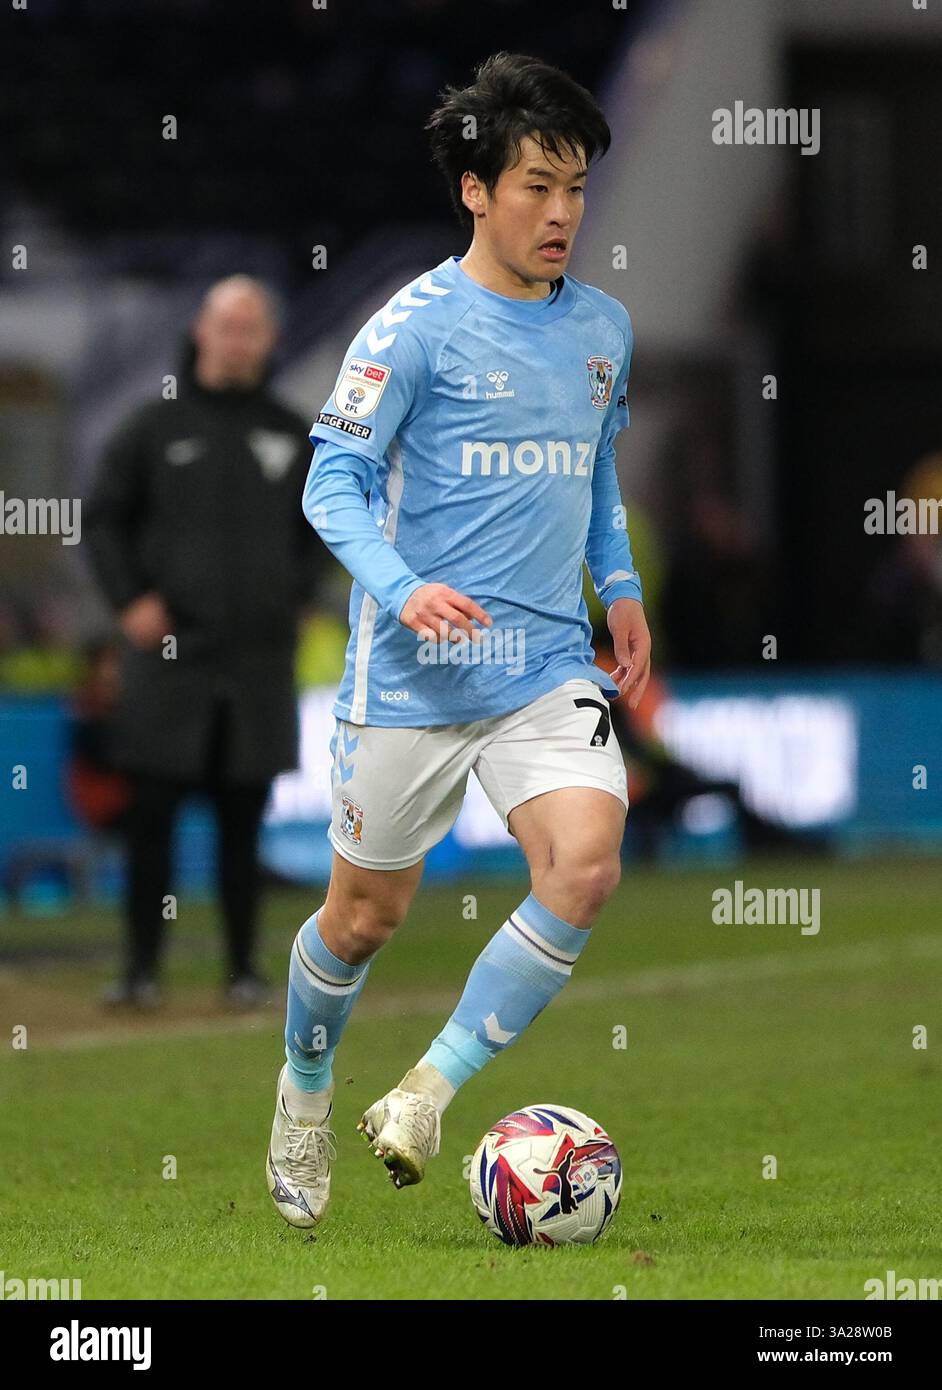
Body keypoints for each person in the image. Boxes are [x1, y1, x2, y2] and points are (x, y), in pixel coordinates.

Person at [266, 53, 652, 1228]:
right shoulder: (412, 328)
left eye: (576, 188)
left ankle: (426, 1094)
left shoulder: (604, 328)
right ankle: (305, 1091)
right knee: (362, 922)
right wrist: (403, 587)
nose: (562, 213)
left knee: (586, 865)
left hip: (544, 664)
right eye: (538, 186)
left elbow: (595, 470)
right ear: (477, 191)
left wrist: (620, 586)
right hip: (414, 675)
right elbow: (329, 484)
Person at [85, 276, 327, 1009]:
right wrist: (129, 600)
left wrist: (297, 593)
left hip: (256, 663)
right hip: (169, 662)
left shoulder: (293, 433)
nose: (236, 340)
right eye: (226, 325)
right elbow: (102, 519)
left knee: (243, 821)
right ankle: (139, 971)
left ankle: (244, 970)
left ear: (269, 339)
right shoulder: (153, 428)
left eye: (250, 327)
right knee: (150, 818)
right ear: (201, 332)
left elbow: (327, 524)